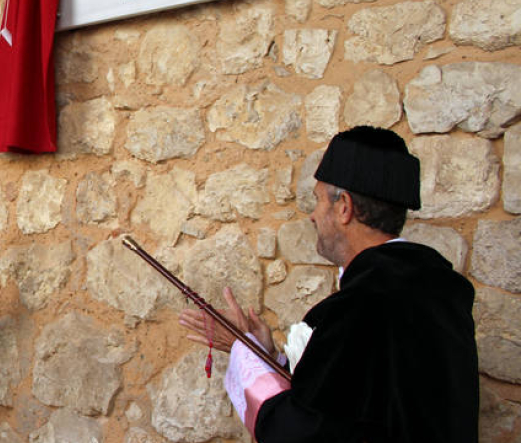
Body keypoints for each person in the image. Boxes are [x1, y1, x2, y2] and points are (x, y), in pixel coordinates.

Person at [179, 126, 478, 442]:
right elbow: (358, 405)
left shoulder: (358, 306)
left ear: (344, 207)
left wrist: (245, 354)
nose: (312, 216)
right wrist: (271, 357)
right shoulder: (442, 292)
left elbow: (301, 431)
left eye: (318, 199)